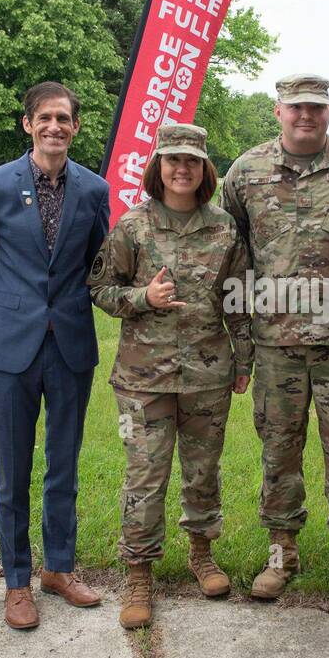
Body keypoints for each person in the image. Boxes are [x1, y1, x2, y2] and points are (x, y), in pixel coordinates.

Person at [220, 74, 329, 600]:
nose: (305, 116)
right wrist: (241, 344)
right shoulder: (246, 173)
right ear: (278, 111)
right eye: (296, 108)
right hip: (276, 345)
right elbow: (233, 256)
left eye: (316, 107)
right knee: (279, 450)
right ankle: (281, 552)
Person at [88, 124, 253, 628]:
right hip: (142, 381)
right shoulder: (132, 227)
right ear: (157, 167)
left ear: (204, 170)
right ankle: (139, 573)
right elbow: (98, 287)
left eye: (191, 162)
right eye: (172, 160)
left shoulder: (224, 228)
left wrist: (243, 359)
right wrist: (142, 298)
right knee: (144, 475)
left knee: (203, 472)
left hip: (207, 376)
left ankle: (201, 555)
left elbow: (240, 297)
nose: (181, 169)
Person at [0, 82, 110, 630]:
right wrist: (2, 314)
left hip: (70, 345)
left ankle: (60, 568)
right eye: (44, 118)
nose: (55, 127)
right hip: (10, 349)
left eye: (64, 119)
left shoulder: (94, 191)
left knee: (63, 465)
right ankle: (17, 581)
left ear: (75, 127)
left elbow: (99, 264)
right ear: (27, 124)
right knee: (12, 471)